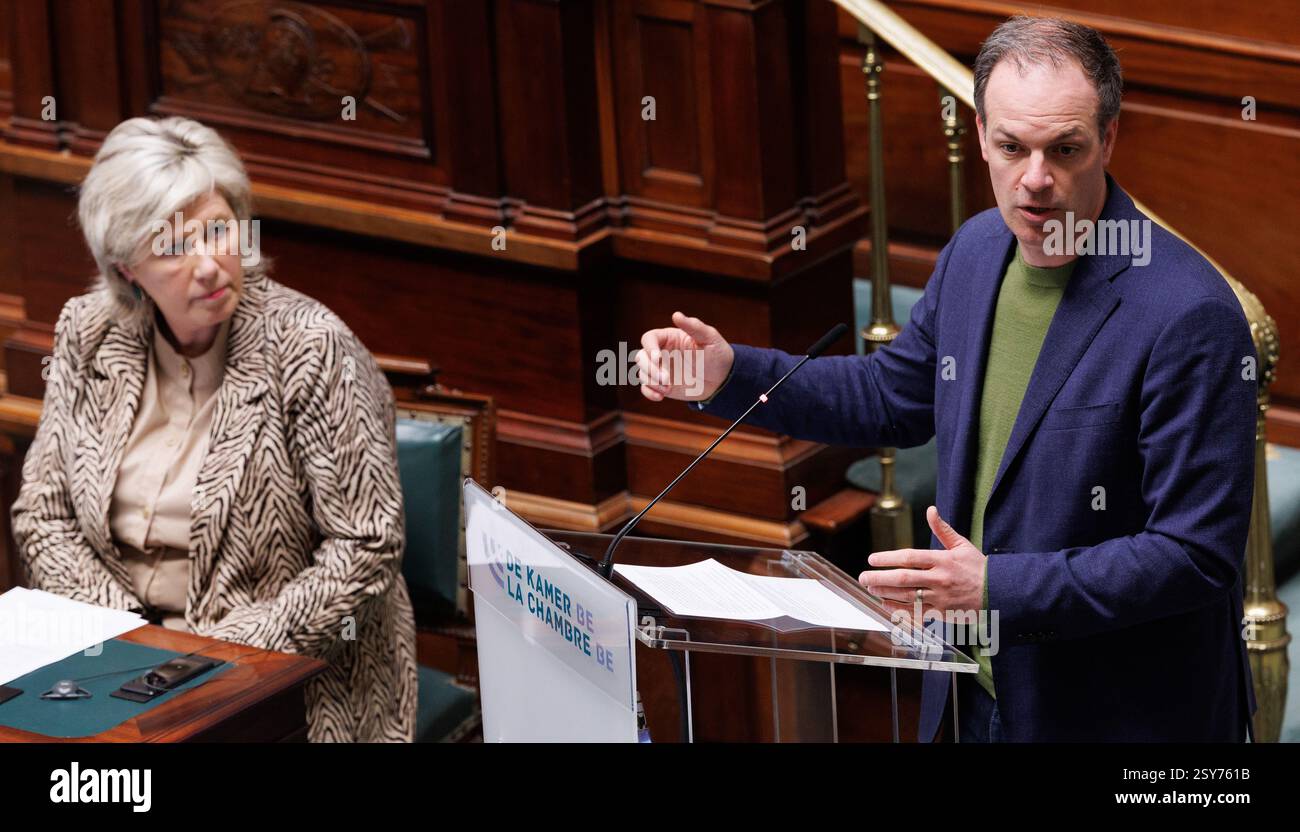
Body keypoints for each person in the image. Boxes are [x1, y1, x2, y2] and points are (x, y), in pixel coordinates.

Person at [636, 16, 1257, 742]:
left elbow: (1194, 555)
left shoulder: (1188, 314)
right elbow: (887, 396)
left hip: (1111, 717)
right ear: (980, 134)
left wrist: (995, 589)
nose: (1035, 179)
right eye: (1011, 147)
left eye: (1065, 149)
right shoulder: (977, 251)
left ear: (1108, 139)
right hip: (972, 698)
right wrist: (733, 374)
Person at [11, 116, 417, 742]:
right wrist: (126, 637)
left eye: (220, 231)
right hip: (111, 665)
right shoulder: (88, 333)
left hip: (286, 679)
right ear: (126, 269)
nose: (209, 266)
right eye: (173, 246)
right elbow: (43, 514)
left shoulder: (310, 346)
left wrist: (213, 657)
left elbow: (366, 547)